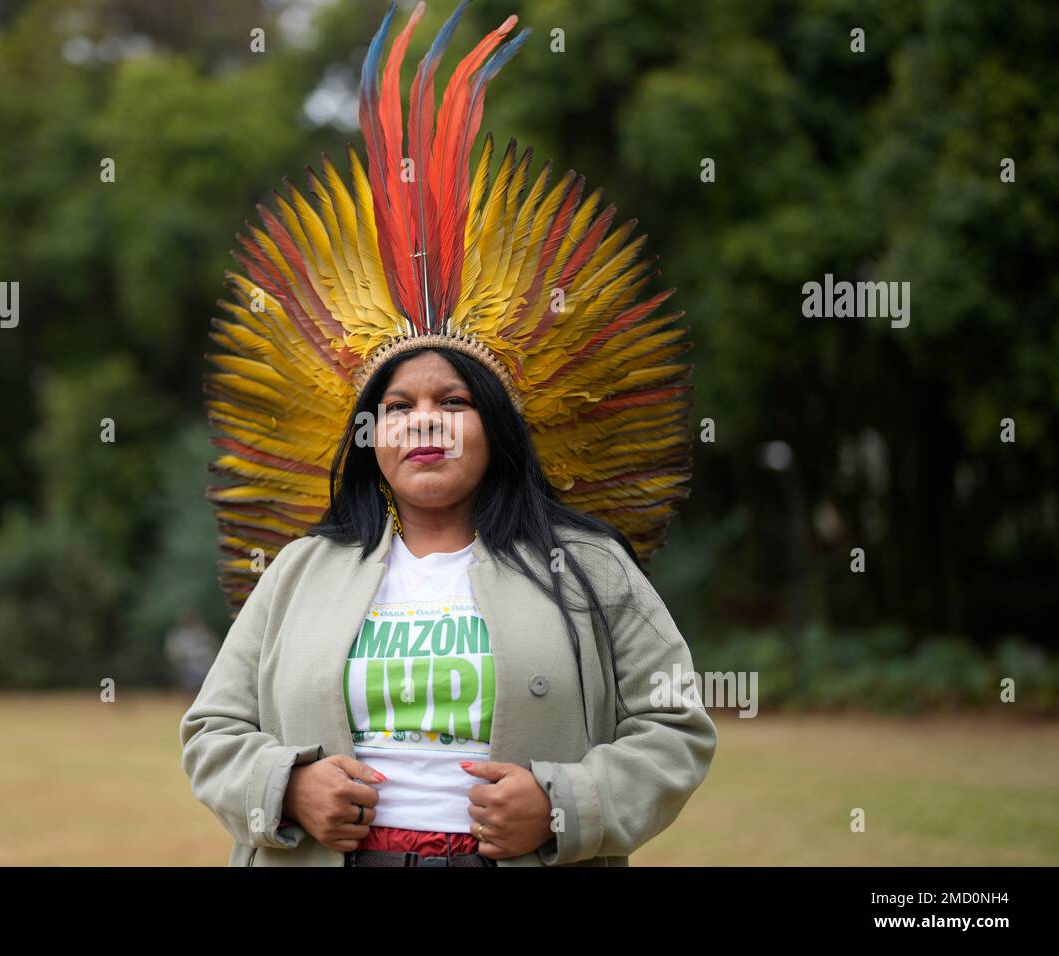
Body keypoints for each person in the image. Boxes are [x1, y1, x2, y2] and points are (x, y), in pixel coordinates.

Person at [179, 0, 717, 867]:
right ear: (368, 435)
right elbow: (212, 729)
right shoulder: (301, 573)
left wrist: (563, 806)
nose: (423, 421)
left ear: (499, 429)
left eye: (454, 401)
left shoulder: (588, 566)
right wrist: (285, 787)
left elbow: (675, 725)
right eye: (397, 407)